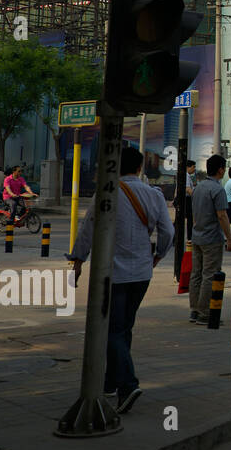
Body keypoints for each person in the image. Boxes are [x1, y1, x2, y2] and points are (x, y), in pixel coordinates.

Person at [70, 146, 173, 414]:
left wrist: (78, 261)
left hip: (112, 274)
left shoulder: (106, 193)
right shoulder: (154, 195)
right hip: (141, 273)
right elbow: (168, 232)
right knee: (124, 328)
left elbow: (87, 228)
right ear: (140, 168)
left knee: (112, 330)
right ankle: (111, 382)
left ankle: (127, 385)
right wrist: (158, 255)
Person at [189, 154, 231, 325]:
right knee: (209, 275)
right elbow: (222, 215)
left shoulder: (198, 188)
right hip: (212, 239)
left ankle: (194, 310)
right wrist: (229, 239)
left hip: (197, 236)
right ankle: (205, 313)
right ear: (221, 169)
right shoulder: (218, 190)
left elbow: (194, 214)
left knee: (196, 274)